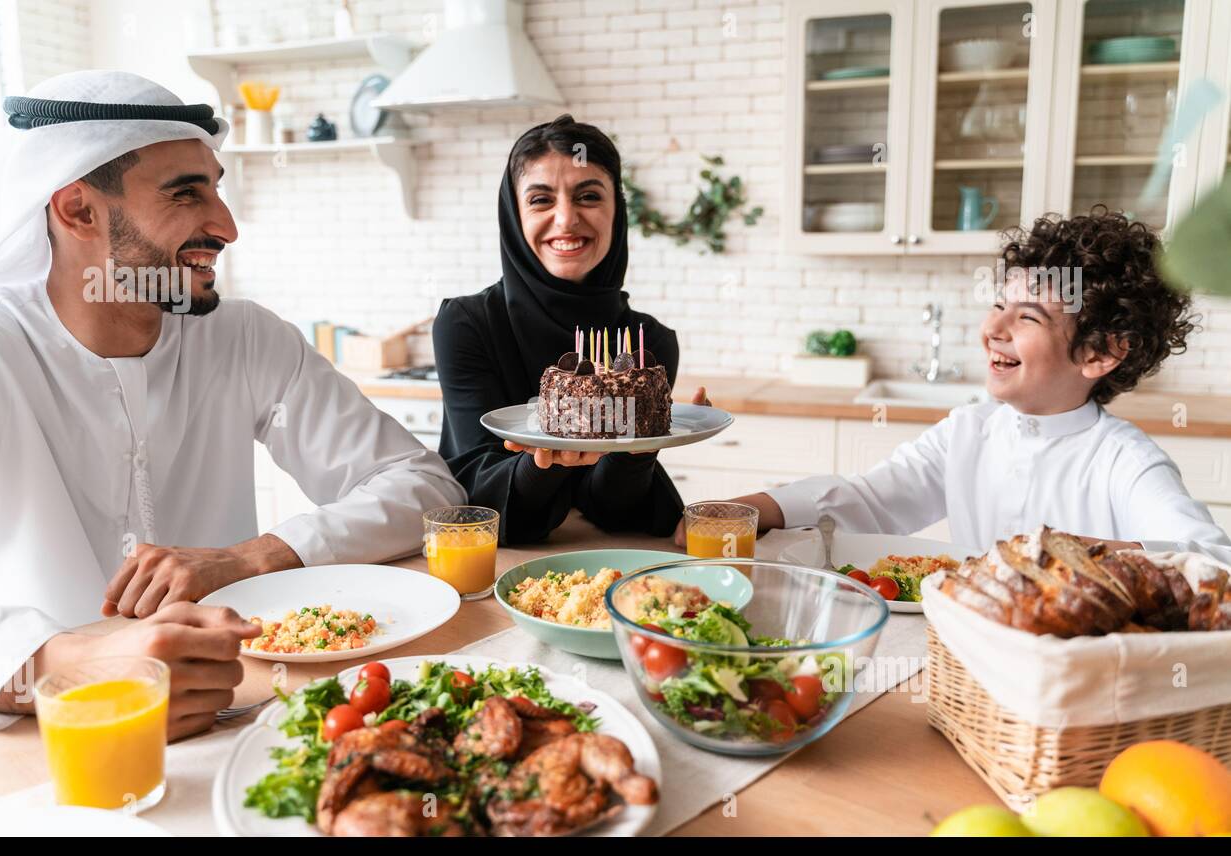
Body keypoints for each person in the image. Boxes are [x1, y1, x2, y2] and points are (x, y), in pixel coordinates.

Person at [0, 71, 465, 733]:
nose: (227, 226)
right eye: (187, 194)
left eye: (217, 187)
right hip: (35, 752)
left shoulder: (242, 336)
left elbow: (426, 491)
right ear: (78, 211)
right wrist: (66, 668)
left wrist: (250, 558)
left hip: (239, 721)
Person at [676, 208, 1231, 564]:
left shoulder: (1125, 461)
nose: (993, 329)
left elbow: (1208, 557)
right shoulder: (969, 430)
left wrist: (1063, 553)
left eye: (1028, 318)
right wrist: (749, 509)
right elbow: (872, 500)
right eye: (997, 306)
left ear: (1101, 352)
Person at [433, 115, 708, 544]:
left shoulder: (646, 346)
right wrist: (541, 464)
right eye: (541, 199)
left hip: (608, 559)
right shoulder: (468, 324)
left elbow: (615, 506)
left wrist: (639, 451)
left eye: (588, 196)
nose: (565, 219)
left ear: (616, 209)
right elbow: (474, 485)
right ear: (513, 213)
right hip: (486, 559)